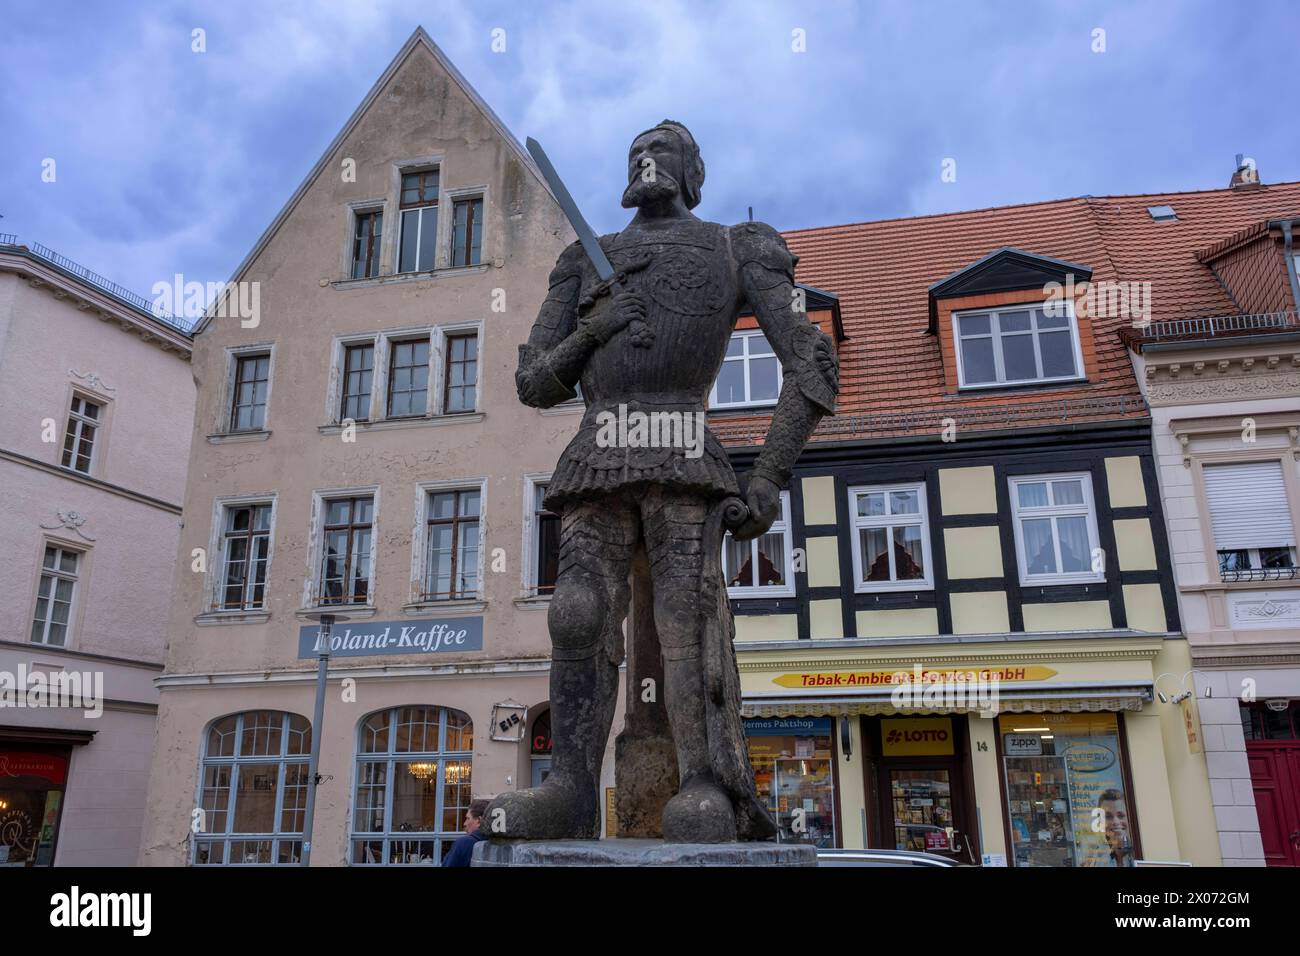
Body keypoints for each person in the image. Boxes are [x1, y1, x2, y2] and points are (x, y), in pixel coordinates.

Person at [491, 120, 838, 844]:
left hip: (681, 444)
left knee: (685, 619)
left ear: (689, 172)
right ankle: (569, 788)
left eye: (663, 151)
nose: (647, 161)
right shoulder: (585, 260)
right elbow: (532, 380)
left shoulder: (733, 247)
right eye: (636, 153)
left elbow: (810, 360)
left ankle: (704, 779)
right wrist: (597, 328)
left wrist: (769, 476)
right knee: (577, 612)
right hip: (600, 449)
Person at [442, 799, 489, 867]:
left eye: (468, 818)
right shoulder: (500, 843)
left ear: (478, 821)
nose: (465, 823)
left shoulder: (464, 843)